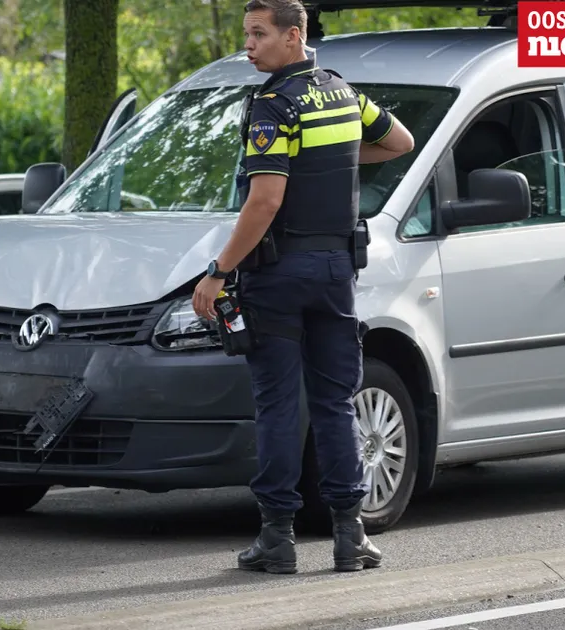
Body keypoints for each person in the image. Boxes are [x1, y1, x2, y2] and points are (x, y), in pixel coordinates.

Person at [191, 0, 415, 575]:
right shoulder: (341, 92)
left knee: (277, 406)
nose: (250, 44)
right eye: (247, 33)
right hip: (336, 273)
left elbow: (264, 200)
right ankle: (349, 535)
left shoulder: (272, 103)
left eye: (260, 34)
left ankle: (277, 537)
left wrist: (217, 273)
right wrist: (332, 160)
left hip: (279, 274)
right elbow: (400, 143)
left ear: (294, 37)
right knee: (336, 402)